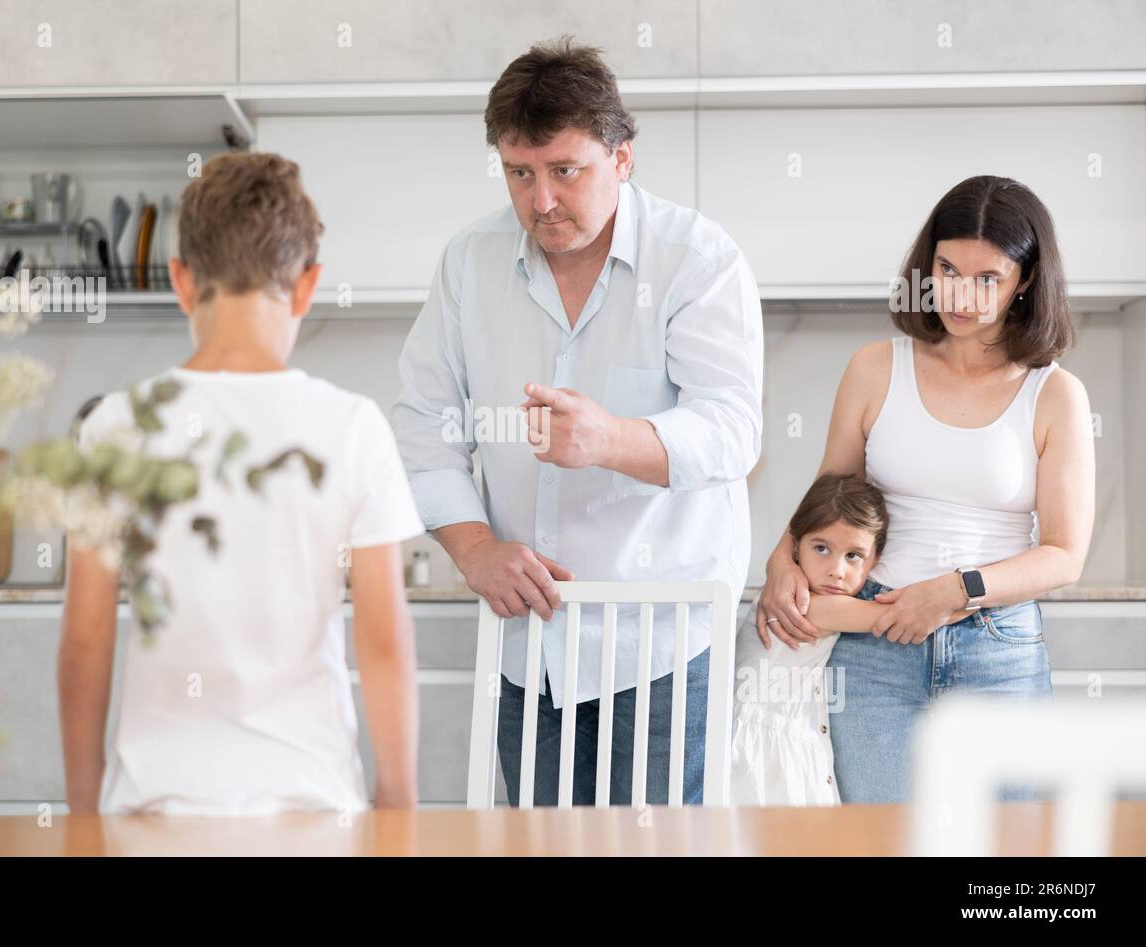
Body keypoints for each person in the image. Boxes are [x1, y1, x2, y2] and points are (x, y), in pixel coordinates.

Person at [391, 37, 763, 805]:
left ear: (622, 158)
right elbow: (423, 425)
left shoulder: (696, 259)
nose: (541, 201)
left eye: (566, 171)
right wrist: (475, 548)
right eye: (519, 173)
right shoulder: (469, 262)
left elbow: (732, 429)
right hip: (528, 649)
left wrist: (612, 438)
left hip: (662, 649)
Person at [59, 152, 423, 815]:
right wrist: (398, 801)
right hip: (310, 811)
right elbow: (384, 638)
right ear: (308, 285)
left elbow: (85, 640)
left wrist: (83, 813)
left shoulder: (113, 425)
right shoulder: (352, 427)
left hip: (153, 812)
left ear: (180, 279)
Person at [756, 175, 1095, 803]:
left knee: (1007, 875)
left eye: (988, 278)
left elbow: (1064, 555)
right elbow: (830, 495)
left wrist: (953, 592)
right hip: (875, 643)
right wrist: (782, 561)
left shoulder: (1055, 395)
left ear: (1026, 281)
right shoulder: (875, 368)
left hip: (998, 647)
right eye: (947, 268)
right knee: (884, 845)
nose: (960, 295)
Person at [731, 473, 974, 805]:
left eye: (853, 556)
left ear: (875, 561)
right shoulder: (806, 604)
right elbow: (903, 615)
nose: (836, 570)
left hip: (791, 739)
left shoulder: (791, 596)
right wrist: (967, 598)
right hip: (765, 750)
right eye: (821, 548)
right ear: (795, 548)